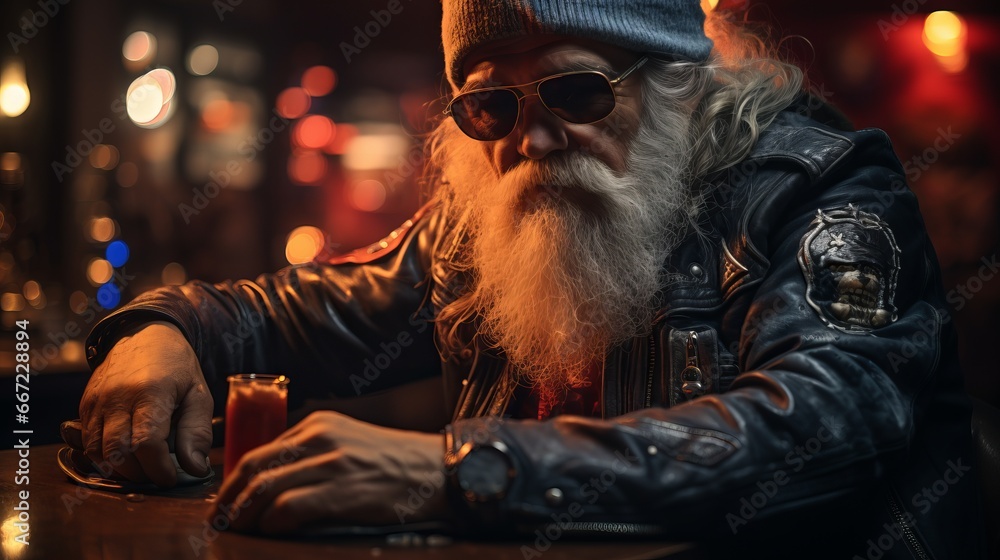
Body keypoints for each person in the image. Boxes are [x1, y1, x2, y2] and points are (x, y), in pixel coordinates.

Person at [76, 0, 985, 557]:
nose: (533, 140)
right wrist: (167, 328)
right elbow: (293, 314)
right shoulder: (483, 222)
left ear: (678, 86)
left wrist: (458, 472)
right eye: (489, 106)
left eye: (577, 92)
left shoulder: (823, 187)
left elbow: (824, 430)